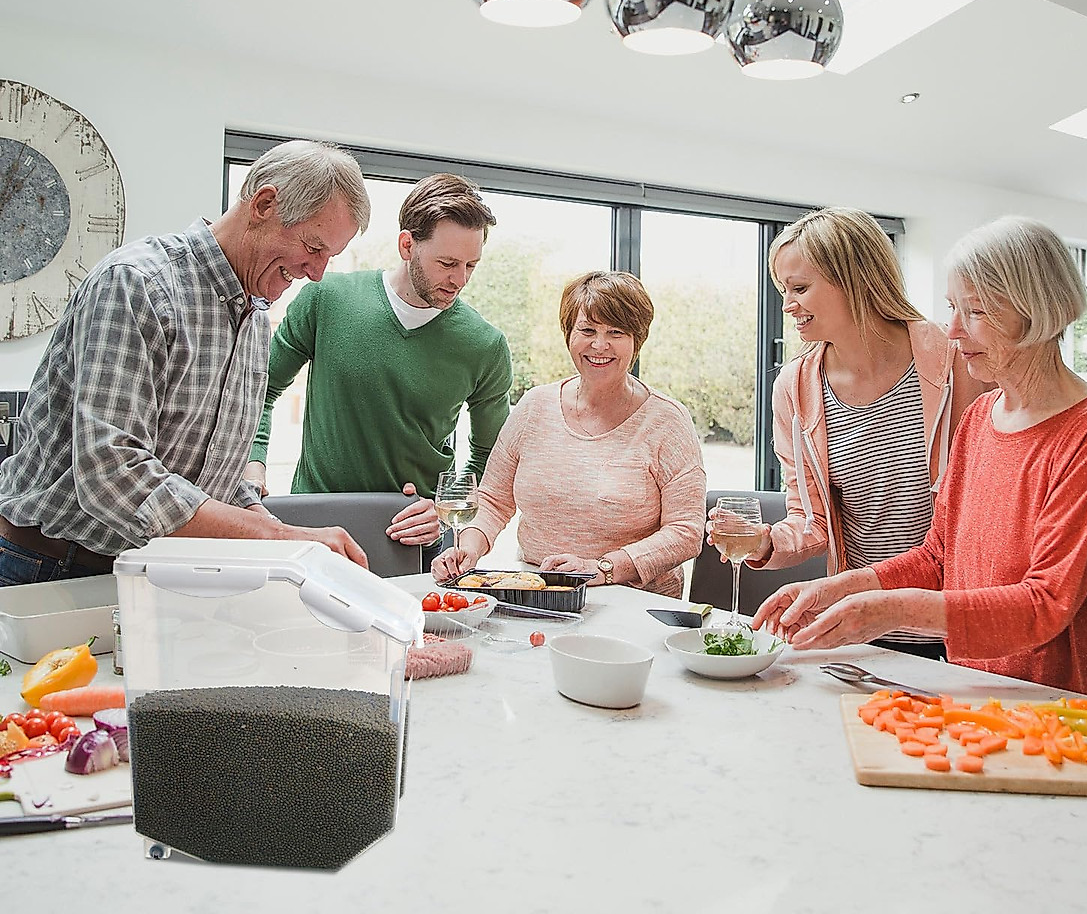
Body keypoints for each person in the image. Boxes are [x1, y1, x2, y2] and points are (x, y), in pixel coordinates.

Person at [755, 216, 1087, 702]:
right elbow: (939, 557)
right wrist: (842, 589)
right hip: (971, 691)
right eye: (952, 309)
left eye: (977, 312)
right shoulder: (982, 416)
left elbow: (1047, 603)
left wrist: (891, 610)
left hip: (1066, 708)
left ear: (1040, 314)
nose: (955, 331)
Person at [0, 140, 373, 587]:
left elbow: (218, 472)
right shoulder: (139, 283)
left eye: (329, 256)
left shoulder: (254, 318)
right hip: (47, 567)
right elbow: (111, 470)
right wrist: (277, 535)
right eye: (314, 247)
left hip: (151, 574)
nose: (317, 272)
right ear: (264, 204)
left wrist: (264, 523)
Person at [726, 207, 989, 658]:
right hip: (861, 628)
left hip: (958, 626)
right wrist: (765, 541)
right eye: (783, 290)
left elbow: (1022, 460)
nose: (787, 304)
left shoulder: (956, 358)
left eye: (800, 288)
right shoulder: (795, 388)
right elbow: (812, 521)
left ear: (855, 278)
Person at [246, 173, 512, 558]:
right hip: (312, 531)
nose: (459, 280)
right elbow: (258, 390)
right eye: (447, 262)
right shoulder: (325, 300)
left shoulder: (485, 345)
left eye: (471, 265)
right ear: (407, 244)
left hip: (414, 542)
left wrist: (443, 512)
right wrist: (254, 462)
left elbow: (492, 458)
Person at [428, 271, 705, 598]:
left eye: (615, 332)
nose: (599, 345)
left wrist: (602, 567)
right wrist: (468, 549)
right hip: (536, 595)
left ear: (637, 340)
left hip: (632, 602)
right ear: (568, 335)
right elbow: (492, 499)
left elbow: (685, 532)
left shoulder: (667, 421)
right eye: (587, 330)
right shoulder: (534, 406)